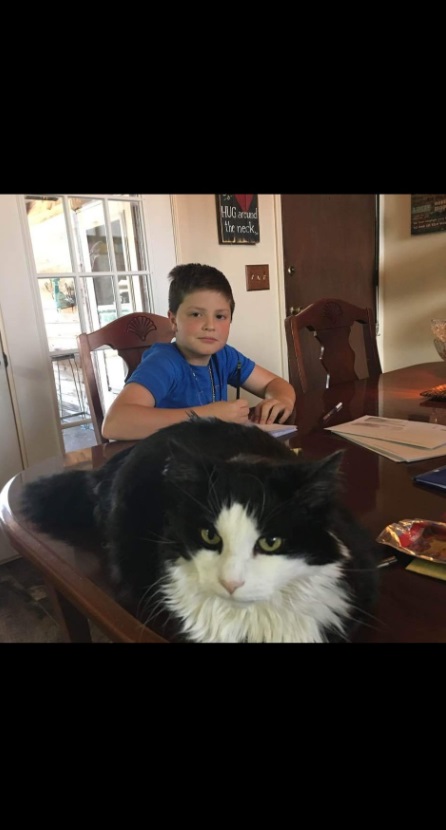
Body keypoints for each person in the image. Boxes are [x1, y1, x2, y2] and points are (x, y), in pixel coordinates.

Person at [102, 263, 296, 441]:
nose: (210, 326)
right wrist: (207, 416)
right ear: (173, 320)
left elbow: (274, 383)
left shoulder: (225, 356)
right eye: (196, 314)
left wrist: (282, 399)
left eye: (220, 316)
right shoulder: (164, 362)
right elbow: (114, 423)